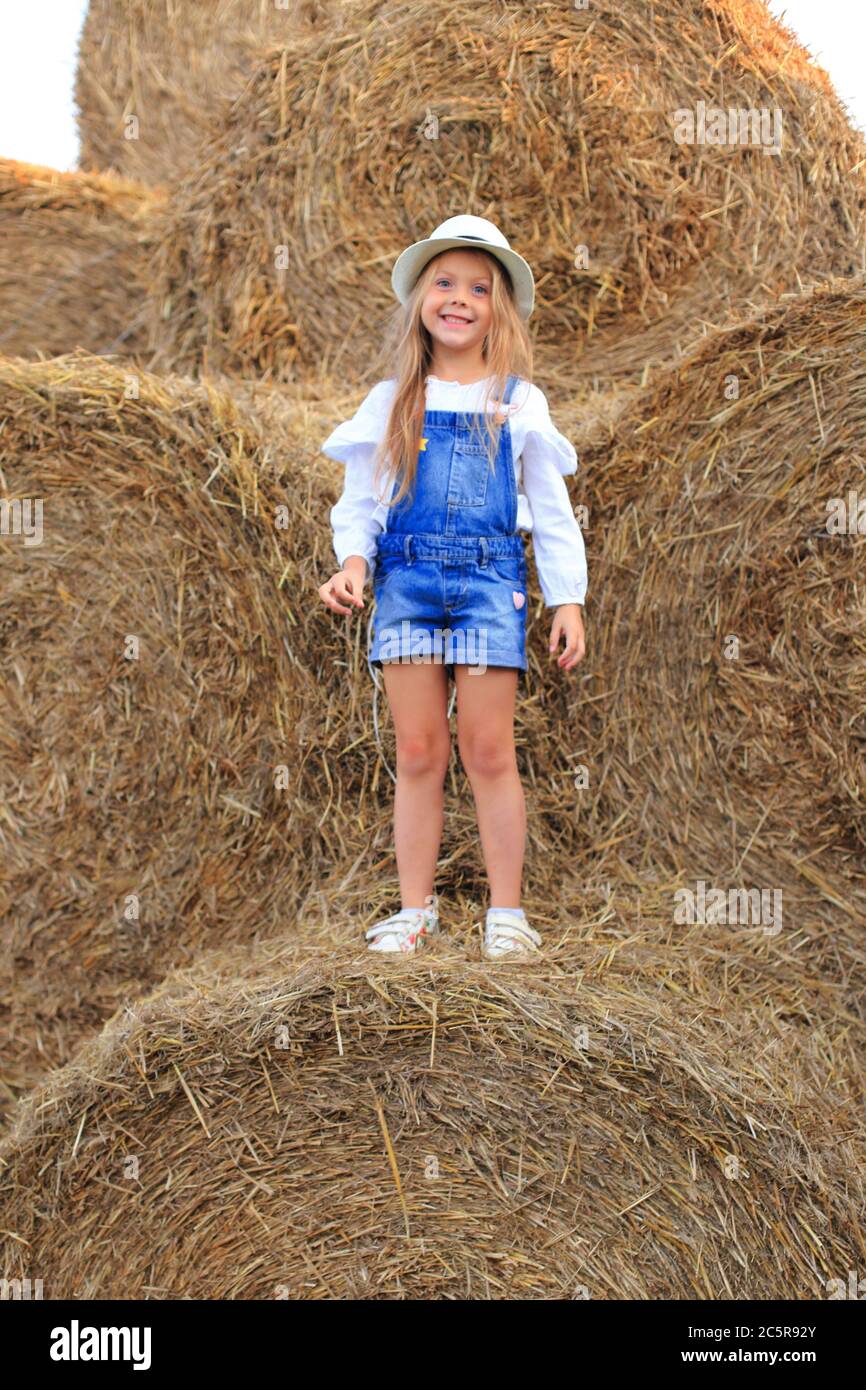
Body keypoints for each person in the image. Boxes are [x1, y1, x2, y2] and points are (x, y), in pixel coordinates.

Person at [318, 215, 587, 960]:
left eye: (478, 286)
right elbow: (363, 503)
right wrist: (353, 564)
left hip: (485, 585)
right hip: (406, 585)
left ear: (498, 307)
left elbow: (553, 512)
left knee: (489, 748)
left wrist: (567, 599)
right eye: (444, 282)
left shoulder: (517, 402)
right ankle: (415, 909)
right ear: (420, 301)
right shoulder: (392, 400)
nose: (459, 298)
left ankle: (507, 913)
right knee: (417, 749)